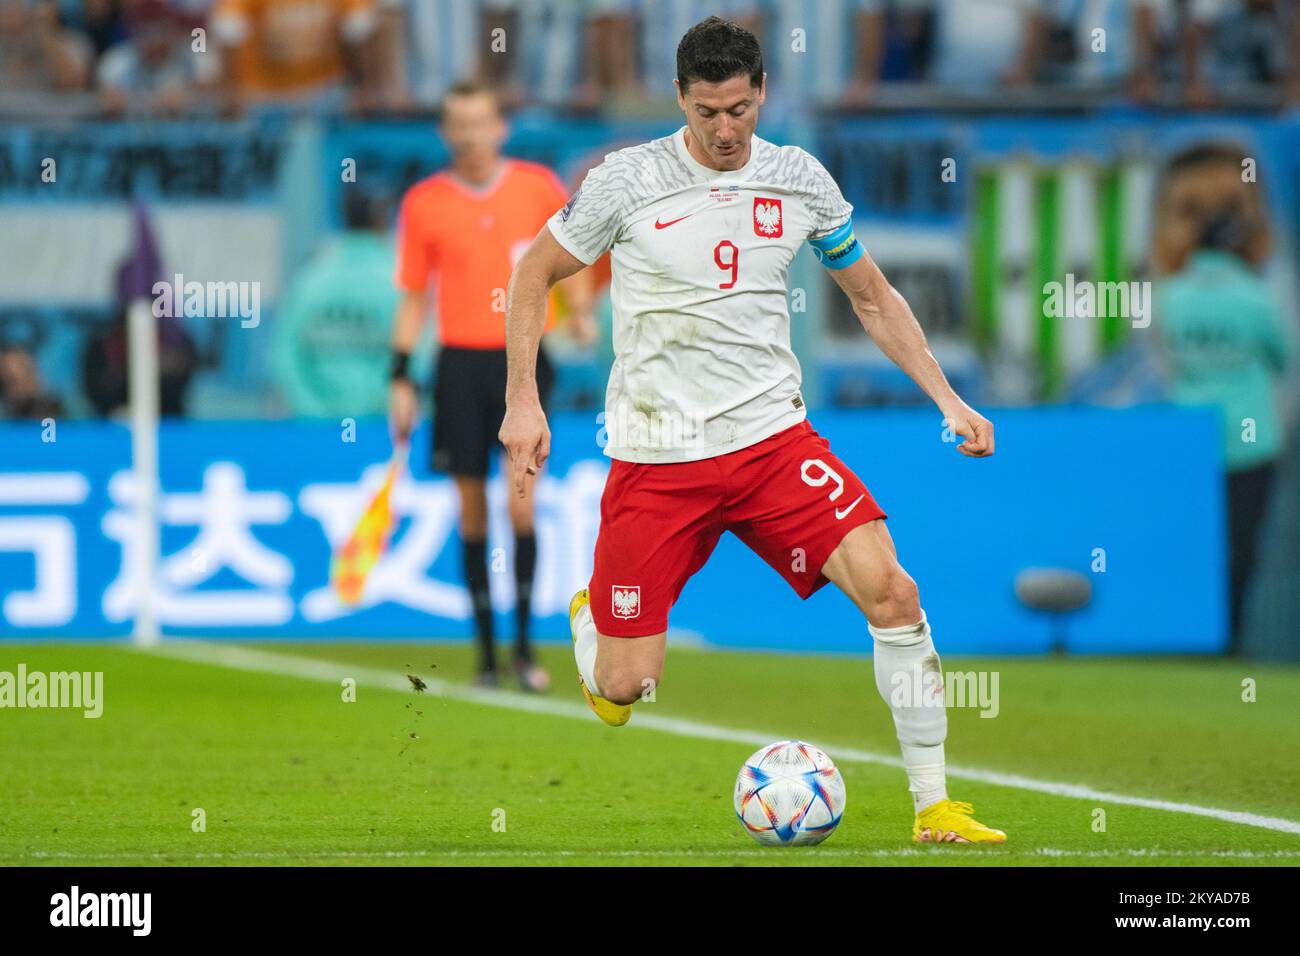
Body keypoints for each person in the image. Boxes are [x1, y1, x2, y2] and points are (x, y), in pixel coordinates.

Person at [500, 17, 1005, 845]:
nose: (726, 130)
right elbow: (533, 273)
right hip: (658, 456)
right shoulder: (628, 180)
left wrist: (948, 400)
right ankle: (598, 623)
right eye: (707, 112)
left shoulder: (799, 178)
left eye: (740, 108)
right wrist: (524, 398)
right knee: (624, 689)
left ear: (762, 92)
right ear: (680, 100)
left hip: (774, 443)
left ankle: (934, 805)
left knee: (894, 592)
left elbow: (872, 297)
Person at [389, 81, 595, 692]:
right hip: (457, 365)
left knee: (520, 504)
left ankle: (526, 650)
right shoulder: (425, 203)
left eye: (481, 122)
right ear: (446, 132)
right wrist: (400, 374)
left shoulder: (537, 188)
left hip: (523, 365)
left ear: (500, 127)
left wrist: (579, 310)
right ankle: (485, 655)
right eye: (459, 124)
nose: (471, 135)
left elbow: (573, 259)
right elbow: (412, 297)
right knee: (472, 510)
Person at [1155, 201, 1294, 654]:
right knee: (1242, 546)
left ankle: (1189, 639)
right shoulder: (1254, 297)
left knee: (1191, 545)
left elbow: (1167, 358)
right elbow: (1281, 358)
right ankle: (1228, 639)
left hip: (1188, 439)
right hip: (1249, 441)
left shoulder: (1173, 296)